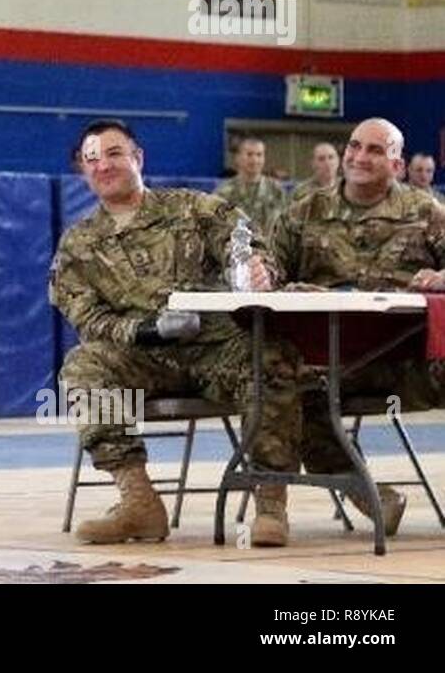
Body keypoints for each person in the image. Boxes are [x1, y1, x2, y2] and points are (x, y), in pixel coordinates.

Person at [50, 119, 300, 547]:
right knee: (82, 367)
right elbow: (85, 315)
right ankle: (139, 504)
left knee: (272, 354)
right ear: (84, 171)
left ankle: (270, 504)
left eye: (114, 154)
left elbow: (245, 242)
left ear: (137, 159)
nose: (103, 166)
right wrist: (145, 330)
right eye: (92, 159)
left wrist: (260, 268)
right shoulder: (79, 243)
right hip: (144, 357)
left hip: (216, 346)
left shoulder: (190, 207)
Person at [273, 118, 445, 535]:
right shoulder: (303, 212)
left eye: (374, 150)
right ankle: (372, 496)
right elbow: (267, 278)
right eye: (354, 146)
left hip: (412, 361)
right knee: (288, 392)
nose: (359, 157)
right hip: (332, 364)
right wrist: (277, 283)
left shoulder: (426, 212)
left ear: (397, 165)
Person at [214, 136, 288, 237]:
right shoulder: (224, 192)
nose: (254, 160)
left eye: (259, 155)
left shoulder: (276, 191)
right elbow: (216, 227)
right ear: (238, 158)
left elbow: (285, 227)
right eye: (249, 154)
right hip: (235, 250)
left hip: (268, 249)